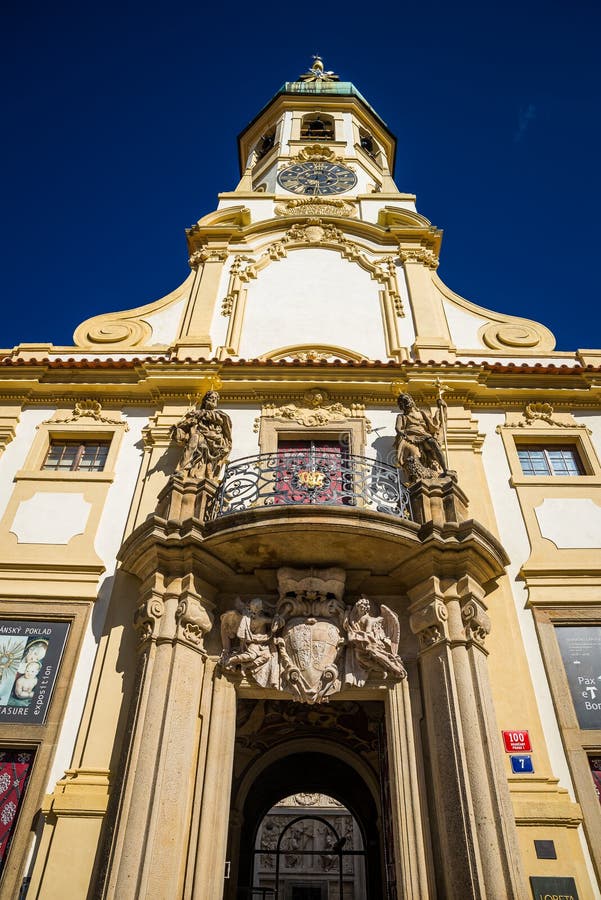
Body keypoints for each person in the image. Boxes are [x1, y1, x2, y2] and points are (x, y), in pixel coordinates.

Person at [173, 390, 232, 479]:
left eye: (215, 399)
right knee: (192, 444)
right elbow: (185, 425)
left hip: (214, 439)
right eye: (211, 398)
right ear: (205, 400)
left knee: (207, 458)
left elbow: (221, 421)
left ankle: (207, 474)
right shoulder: (196, 414)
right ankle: (182, 469)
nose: (213, 400)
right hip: (198, 434)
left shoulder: (219, 414)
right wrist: (178, 428)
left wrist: (203, 413)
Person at [394, 392, 447, 479]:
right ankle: (417, 475)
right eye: (404, 402)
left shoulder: (422, 413)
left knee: (434, 444)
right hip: (411, 436)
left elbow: (433, 425)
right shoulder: (401, 416)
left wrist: (442, 408)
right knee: (414, 456)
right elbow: (398, 428)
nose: (407, 403)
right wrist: (404, 434)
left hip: (424, 435)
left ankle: (445, 469)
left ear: (411, 401)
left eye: (407, 400)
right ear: (402, 406)